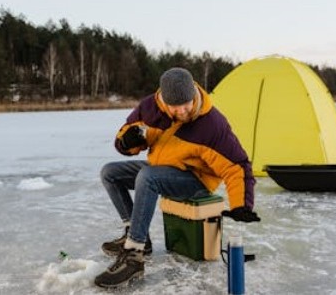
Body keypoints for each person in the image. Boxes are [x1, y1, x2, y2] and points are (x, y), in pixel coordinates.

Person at [94, 67, 260, 288]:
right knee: (110, 173)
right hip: (161, 168)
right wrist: (127, 143)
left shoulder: (212, 124)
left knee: (147, 176)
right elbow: (125, 134)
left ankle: (134, 255)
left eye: (187, 103)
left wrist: (241, 204)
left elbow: (237, 166)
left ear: (193, 95)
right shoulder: (149, 108)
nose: (182, 110)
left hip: (195, 180)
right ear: (163, 100)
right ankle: (133, 232)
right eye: (175, 106)